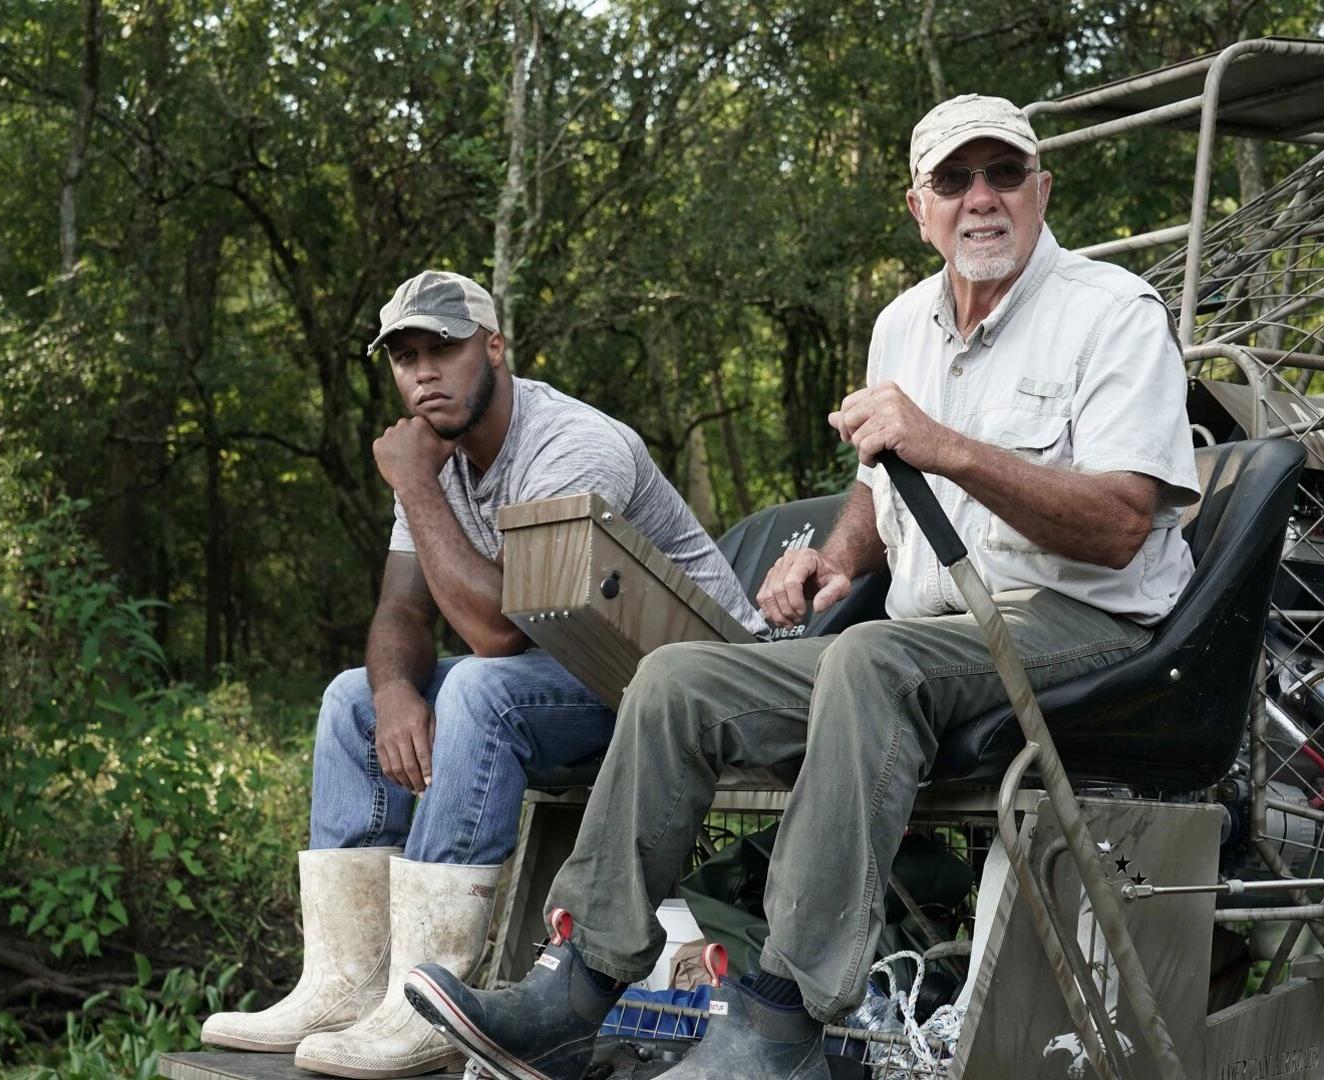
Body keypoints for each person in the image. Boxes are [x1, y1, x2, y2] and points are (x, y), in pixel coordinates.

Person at [404, 94, 1202, 1080]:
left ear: (1042, 189)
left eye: (1004, 173)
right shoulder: (904, 323)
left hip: (1087, 624)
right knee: (677, 679)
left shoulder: (1111, 312)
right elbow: (878, 486)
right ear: (919, 207)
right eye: (954, 179)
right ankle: (577, 992)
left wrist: (947, 445)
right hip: (938, 634)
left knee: (870, 660)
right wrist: (837, 557)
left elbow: (1121, 524)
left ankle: (779, 1023)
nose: (982, 197)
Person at [200, 270, 766, 1078]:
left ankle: (429, 1002)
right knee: (352, 699)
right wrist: (393, 693)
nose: (424, 374)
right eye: (406, 357)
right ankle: (344, 987)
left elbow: (499, 632)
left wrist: (415, 485)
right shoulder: (435, 459)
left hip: (692, 690)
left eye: (444, 349)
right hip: (581, 675)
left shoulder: (571, 444)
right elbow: (401, 610)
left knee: (478, 688)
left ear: (494, 347)